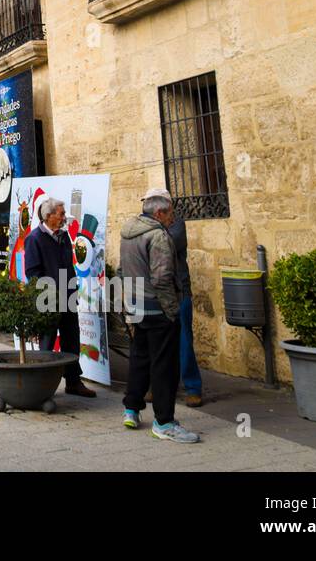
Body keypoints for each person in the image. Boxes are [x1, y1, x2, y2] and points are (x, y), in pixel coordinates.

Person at [120, 189, 199, 443]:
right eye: (170, 214)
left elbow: (123, 271)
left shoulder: (128, 231)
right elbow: (162, 277)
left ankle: (131, 408)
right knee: (164, 365)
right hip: (156, 308)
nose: (172, 219)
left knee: (140, 358)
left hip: (137, 307)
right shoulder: (158, 236)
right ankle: (164, 422)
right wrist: (172, 310)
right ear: (159, 212)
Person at [24, 195, 96, 398]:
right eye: (61, 214)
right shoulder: (34, 239)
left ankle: (73, 381)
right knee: (47, 343)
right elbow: (32, 272)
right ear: (49, 216)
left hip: (68, 297)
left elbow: (69, 266)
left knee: (72, 340)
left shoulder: (64, 237)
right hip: (48, 300)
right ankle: (42, 385)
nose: (65, 217)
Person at [168, 213, 203, 406]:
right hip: (156, 294)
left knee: (184, 341)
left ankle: (192, 387)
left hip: (179, 292)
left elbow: (168, 244)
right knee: (156, 343)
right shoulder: (152, 227)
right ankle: (158, 385)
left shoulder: (177, 225)